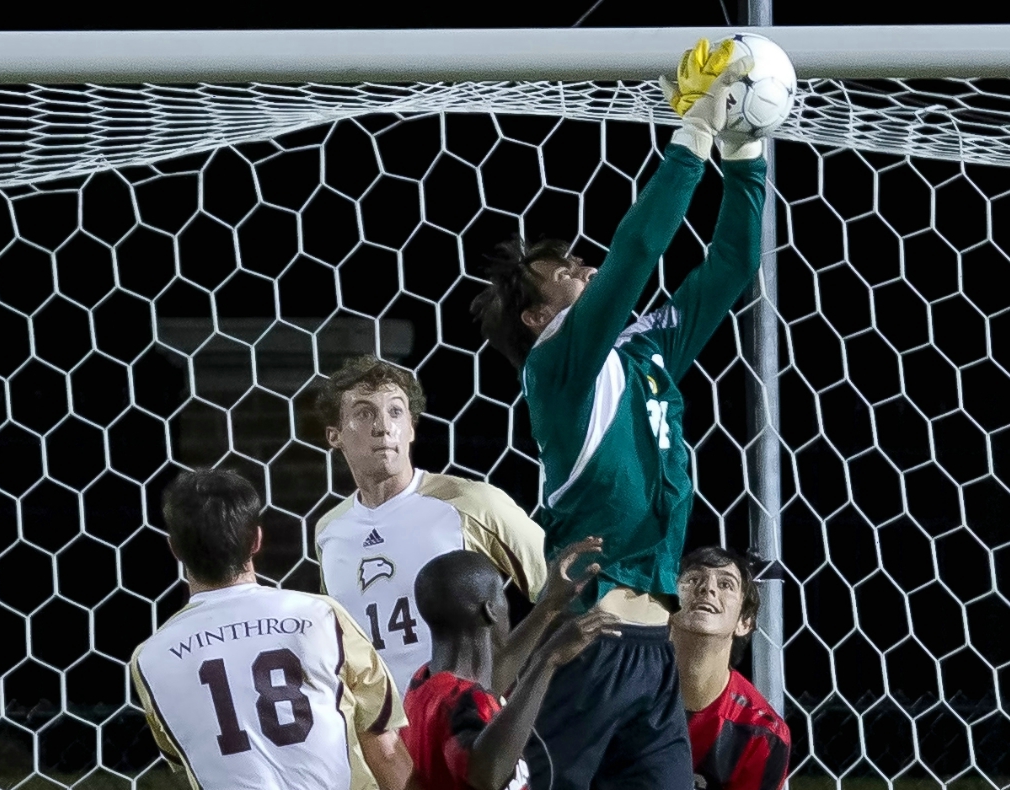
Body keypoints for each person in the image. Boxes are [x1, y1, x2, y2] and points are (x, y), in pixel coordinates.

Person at [470, 39, 766, 789]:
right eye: (564, 271)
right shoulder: (558, 369)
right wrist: (693, 132)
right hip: (584, 642)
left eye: (578, 258)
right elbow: (636, 254)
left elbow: (731, 265)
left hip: (652, 646)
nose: (586, 265)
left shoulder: (646, 354)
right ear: (538, 315)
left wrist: (744, 146)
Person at [131, 468, 418, 790]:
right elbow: (386, 749)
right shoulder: (321, 617)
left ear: (174, 548)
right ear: (256, 539)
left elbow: (185, 757)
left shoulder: (150, 658)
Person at [314, 354, 551, 695]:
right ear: (334, 435)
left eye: (395, 411)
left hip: (462, 726)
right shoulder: (330, 530)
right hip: (382, 739)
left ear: (410, 427)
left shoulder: (471, 503)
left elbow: (560, 589)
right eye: (364, 413)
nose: (383, 426)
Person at [402, 549, 621, 790]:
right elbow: (486, 773)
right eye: (501, 596)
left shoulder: (425, 684)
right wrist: (548, 660)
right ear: (491, 610)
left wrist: (549, 606)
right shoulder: (459, 703)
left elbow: (488, 683)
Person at [671, 547, 790, 790]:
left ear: (745, 622)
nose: (708, 589)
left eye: (725, 584)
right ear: (667, 605)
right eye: (693, 579)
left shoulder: (761, 732)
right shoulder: (625, 693)